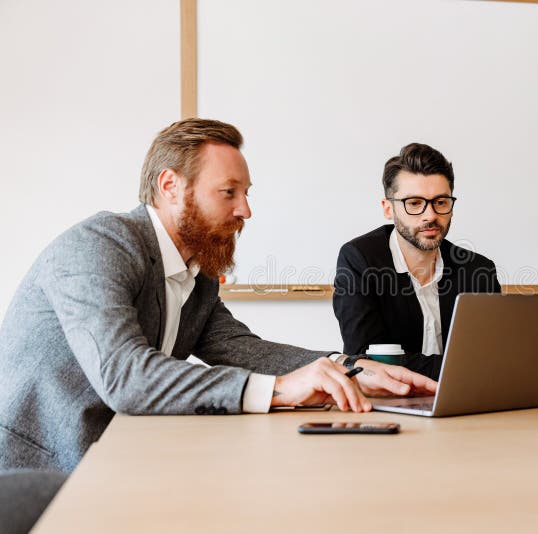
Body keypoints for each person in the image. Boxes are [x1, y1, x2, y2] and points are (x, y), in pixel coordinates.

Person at [0, 119, 436, 472]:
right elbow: (125, 376)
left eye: (245, 194)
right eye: (229, 192)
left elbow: (240, 348)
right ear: (171, 185)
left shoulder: (198, 273)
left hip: (119, 457)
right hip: (40, 471)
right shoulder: (99, 244)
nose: (245, 210)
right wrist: (281, 390)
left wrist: (350, 368)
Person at [333, 143, 538, 381]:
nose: (430, 215)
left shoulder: (477, 270)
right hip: (389, 407)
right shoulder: (360, 259)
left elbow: (495, 358)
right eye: (414, 203)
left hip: (464, 407)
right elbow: (363, 361)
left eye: (441, 202)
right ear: (388, 208)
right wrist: (465, 369)